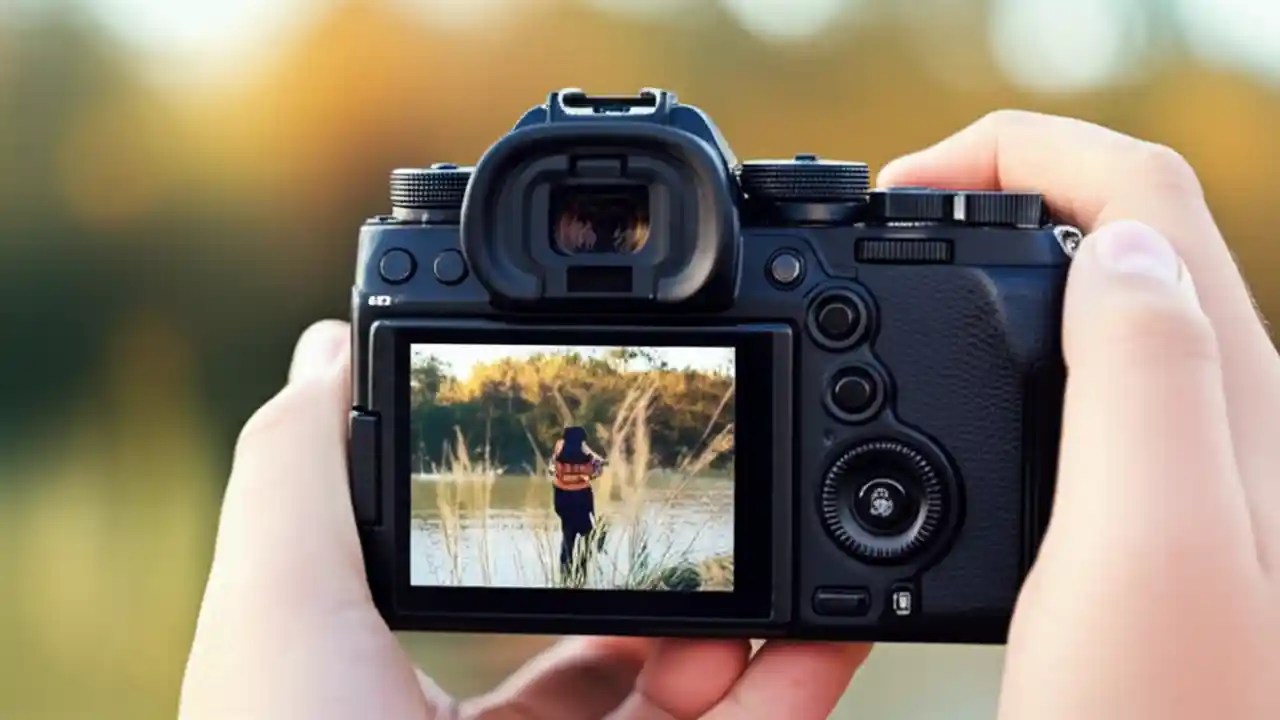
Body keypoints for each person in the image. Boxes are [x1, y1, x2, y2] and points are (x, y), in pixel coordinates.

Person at [180, 111, 1279, 719]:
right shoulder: (566, 446)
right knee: (578, 535)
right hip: (580, 510)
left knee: (586, 531)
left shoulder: (580, 445)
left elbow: (603, 465)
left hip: (591, 508)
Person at [550, 425, 605, 576]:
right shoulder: (587, 463)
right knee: (587, 536)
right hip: (581, 500)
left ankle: (565, 572)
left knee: (568, 536)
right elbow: (598, 469)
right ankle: (582, 570)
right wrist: (589, 451)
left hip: (563, 500)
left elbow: (552, 468)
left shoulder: (559, 458)